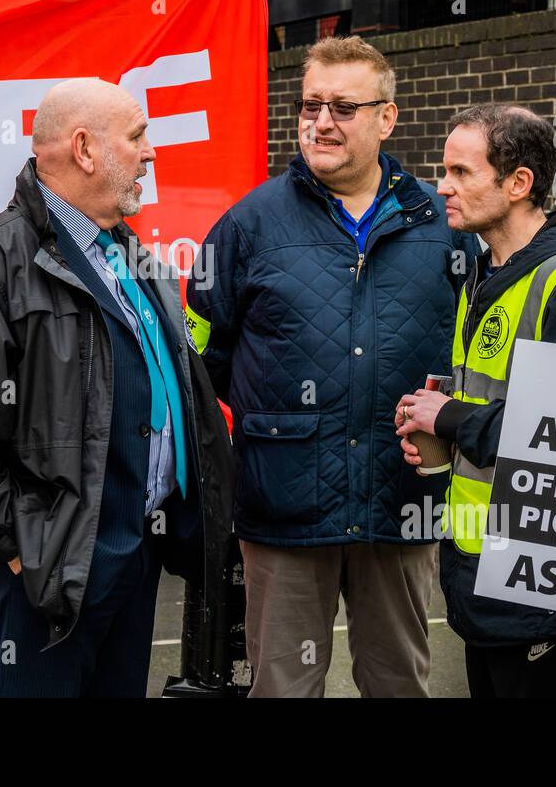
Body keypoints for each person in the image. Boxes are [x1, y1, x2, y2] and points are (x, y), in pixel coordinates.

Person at [0, 78, 234, 697]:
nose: (151, 152)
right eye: (137, 136)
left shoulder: (129, 256)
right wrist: (18, 551)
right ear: (84, 149)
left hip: (133, 556)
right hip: (47, 567)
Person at [185, 36, 473, 697]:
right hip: (284, 505)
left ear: (387, 118)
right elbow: (202, 356)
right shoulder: (247, 226)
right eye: (310, 104)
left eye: (343, 107)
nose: (321, 121)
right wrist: (280, 418)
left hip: (400, 503)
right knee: (283, 687)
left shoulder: (443, 225)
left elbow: (474, 348)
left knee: (398, 682)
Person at [395, 104, 556, 698]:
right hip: (486, 579)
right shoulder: (483, 268)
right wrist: (442, 433)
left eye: (460, 172)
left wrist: (449, 418)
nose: (441, 186)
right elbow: (499, 401)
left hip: (547, 592)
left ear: (519, 184)